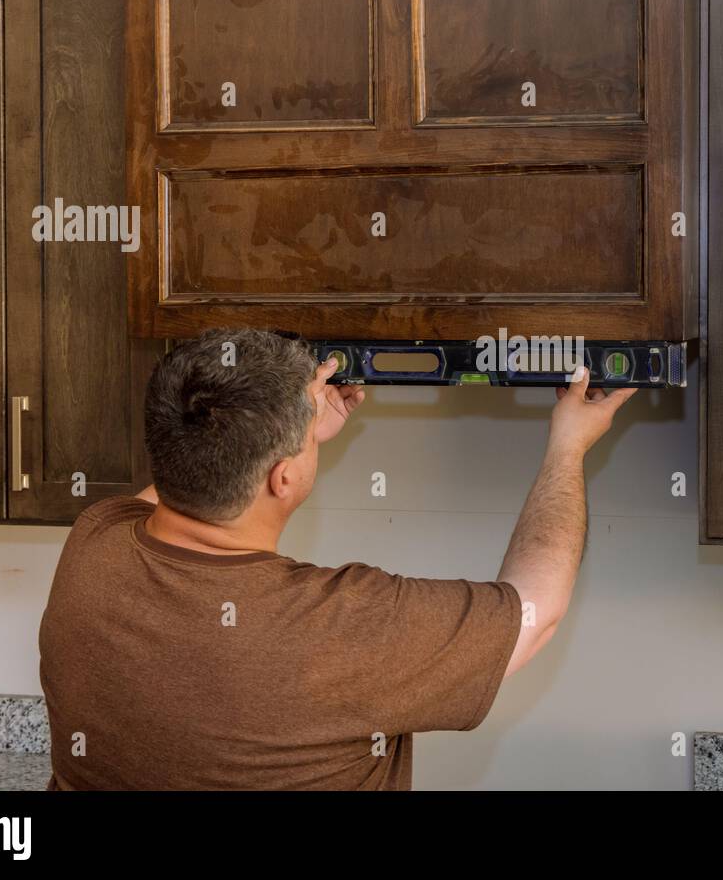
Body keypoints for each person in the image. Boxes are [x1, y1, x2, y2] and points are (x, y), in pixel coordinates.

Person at [38, 328, 634, 789]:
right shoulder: (340, 627)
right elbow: (537, 609)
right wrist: (569, 443)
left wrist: (294, 428)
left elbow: (185, 471)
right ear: (284, 478)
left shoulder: (93, 547)